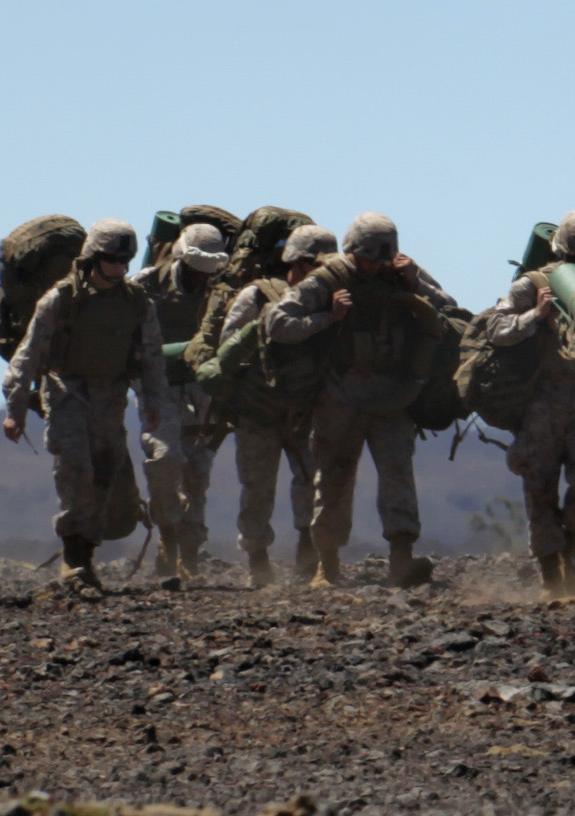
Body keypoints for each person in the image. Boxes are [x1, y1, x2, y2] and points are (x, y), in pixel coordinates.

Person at [263, 213, 459, 589]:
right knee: (333, 477)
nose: (377, 266)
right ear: (352, 251)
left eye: (384, 258)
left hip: (393, 395)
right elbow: (278, 323)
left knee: (398, 473)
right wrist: (327, 317)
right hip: (340, 395)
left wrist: (415, 282)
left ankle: (401, 560)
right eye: (370, 257)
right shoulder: (327, 279)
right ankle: (328, 566)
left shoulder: (403, 272)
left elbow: (450, 312)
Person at [1, 220, 177, 593]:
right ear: (93, 258)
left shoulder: (135, 302)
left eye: (123, 261)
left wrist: (151, 403)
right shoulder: (61, 299)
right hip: (67, 392)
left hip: (111, 397)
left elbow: (151, 358)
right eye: (111, 260)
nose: (118, 268)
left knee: (104, 473)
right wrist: (15, 410)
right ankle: (75, 558)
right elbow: (28, 355)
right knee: (75, 466)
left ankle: (86, 555)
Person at [480, 211, 575, 600]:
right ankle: (550, 574)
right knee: (539, 488)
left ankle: (570, 542)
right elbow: (496, 329)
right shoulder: (534, 283)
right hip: (540, 402)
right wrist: (534, 316)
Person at [192, 222, 332, 586]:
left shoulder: (329, 300)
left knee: (312, 482)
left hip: (304, 411)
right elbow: (228, 351)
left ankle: (309, 551)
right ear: (298, 263)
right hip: (257, 411)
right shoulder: (256, 296)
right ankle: (258, 561)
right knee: (257, 488)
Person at [138, 220, 238, 579]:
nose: (200, 279)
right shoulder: (146, 285)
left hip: (203, 385)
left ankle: (190, 550)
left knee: (197, 471)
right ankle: (168, 532)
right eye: (195, 271)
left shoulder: (223, 291)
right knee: (165, 461)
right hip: (157, 384)